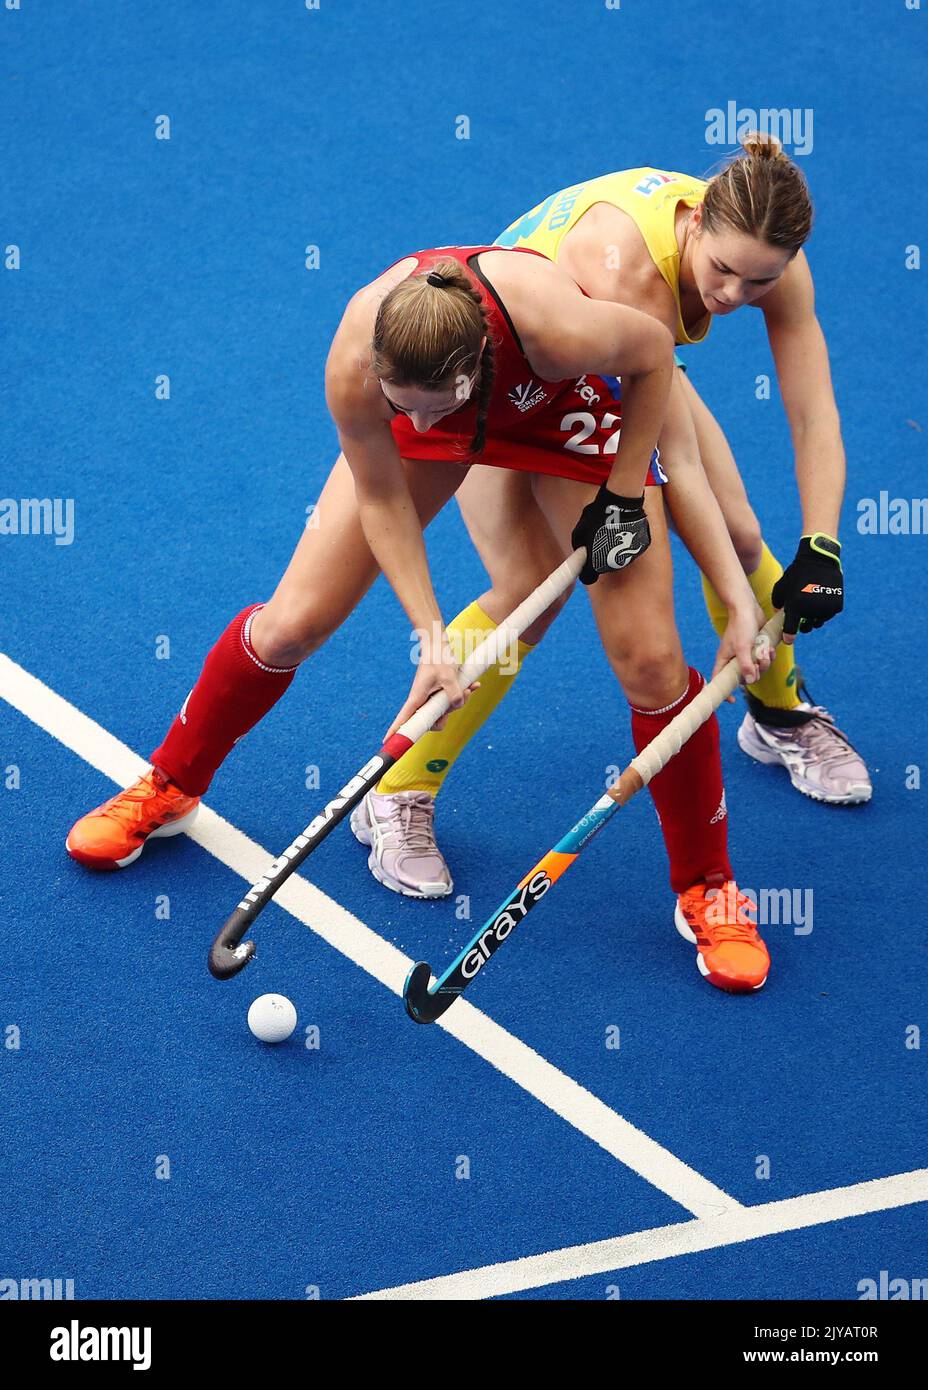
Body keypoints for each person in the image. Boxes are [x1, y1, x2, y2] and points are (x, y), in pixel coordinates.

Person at [66, 241, 772, 992]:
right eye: (402, 404)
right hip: (465, 398)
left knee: (653, 664)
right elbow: (382, 500)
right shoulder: (358, 365)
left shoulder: (556, 326)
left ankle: (708, 886)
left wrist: (626, 496)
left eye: (433, 404)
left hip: (569, 405)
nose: (420, 421)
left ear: (470, 366)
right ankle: (170, 785)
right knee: (293, 621)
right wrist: (432, 637)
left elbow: (656, 351)